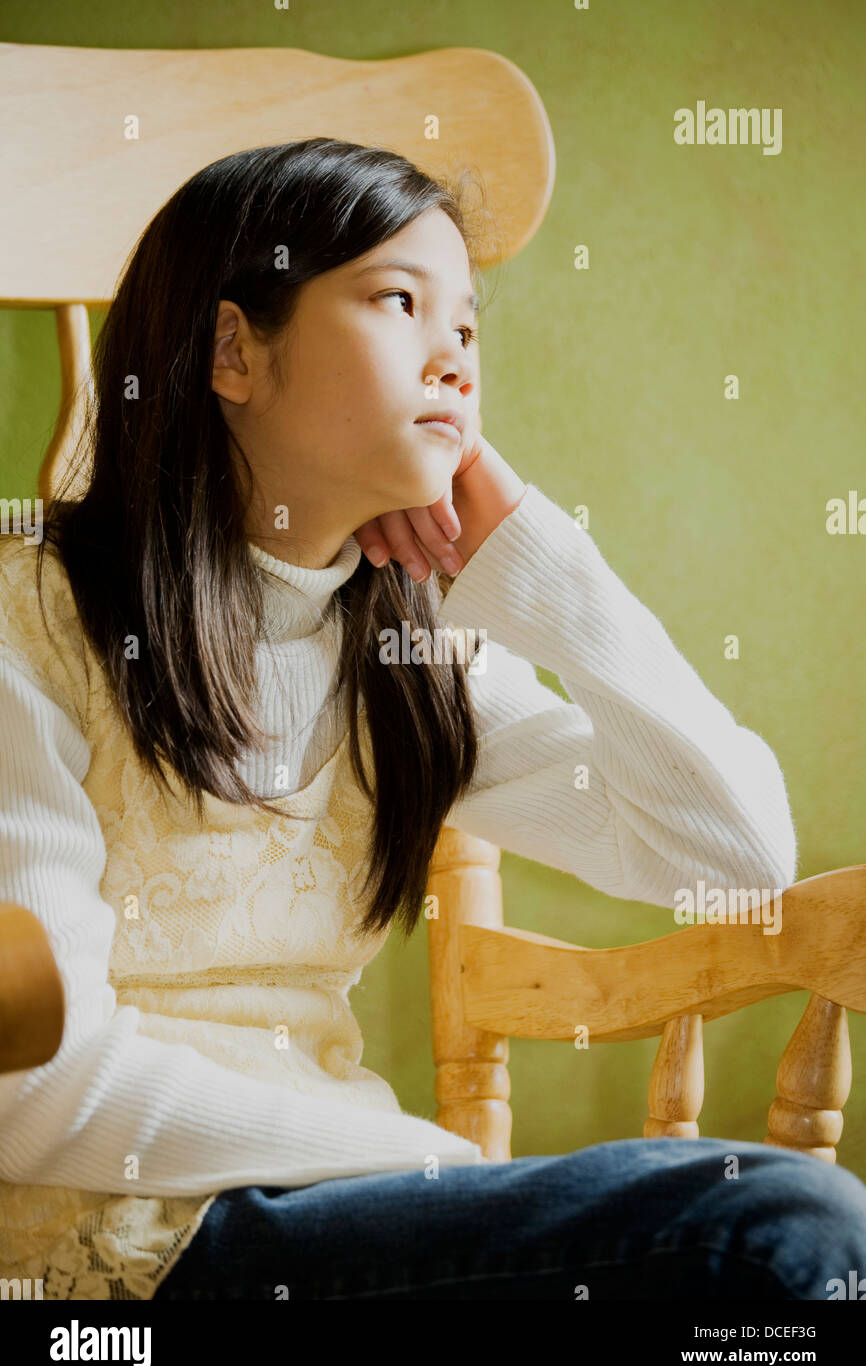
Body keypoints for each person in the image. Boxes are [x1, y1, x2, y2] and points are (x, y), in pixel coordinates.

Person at [1, 137, 864, 1301]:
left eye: (467, 327)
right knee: (771, 1230)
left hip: (346, 1221)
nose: (453, 357)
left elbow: (731, 854)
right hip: (126, 1260)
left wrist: (539, 563)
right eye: (398, 302)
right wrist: (424, 1162)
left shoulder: (407, 664)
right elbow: (34, 1087)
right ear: (229, 349)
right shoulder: (32, 620)